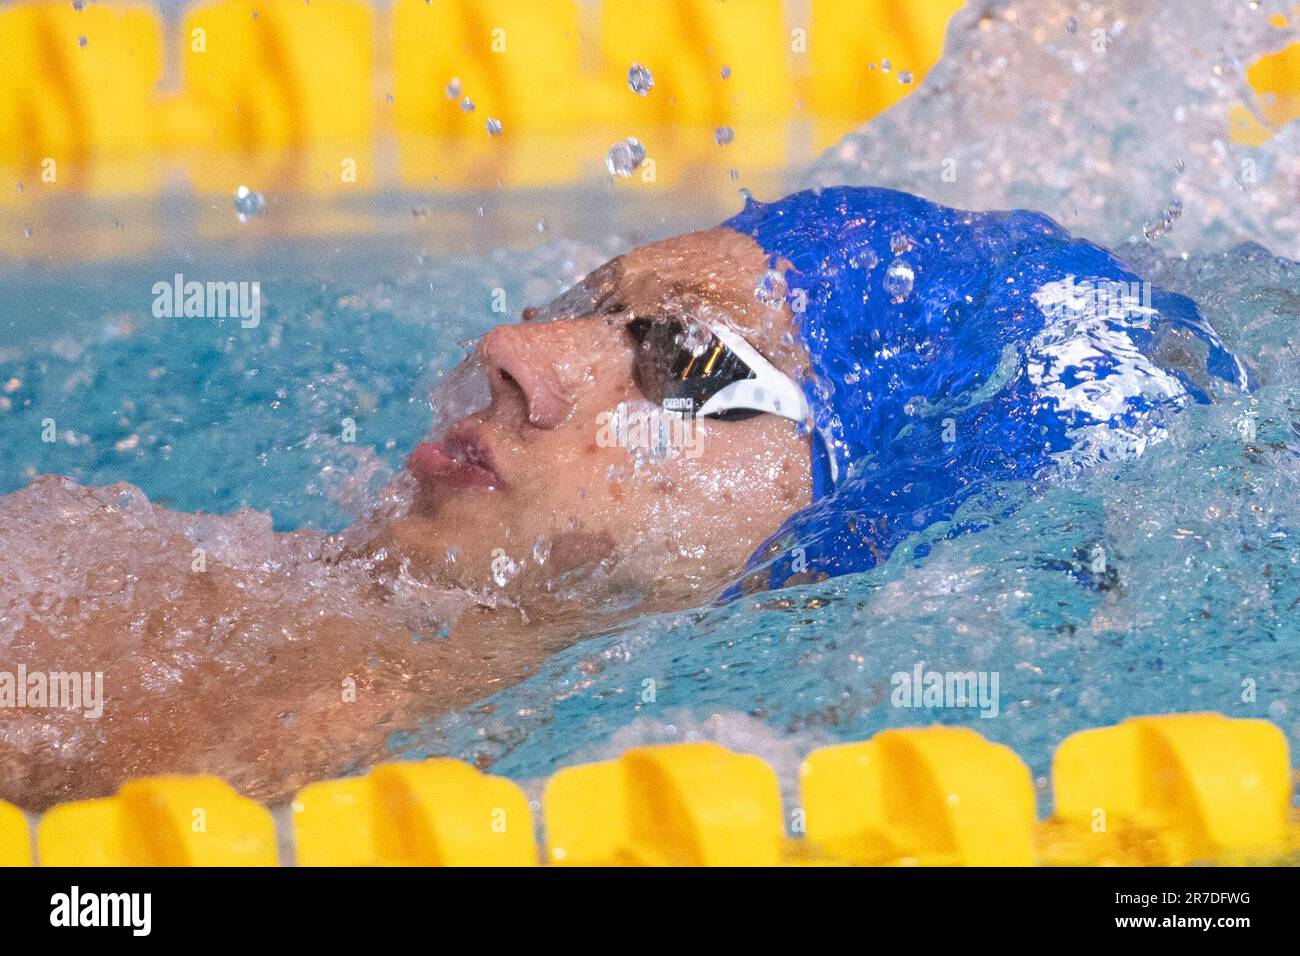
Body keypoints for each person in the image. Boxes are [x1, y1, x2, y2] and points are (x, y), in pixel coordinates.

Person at [0, 187, 1247, 809]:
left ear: (854, 542)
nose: (514, 351)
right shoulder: (100, 613)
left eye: (688, 365)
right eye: (582, 312)